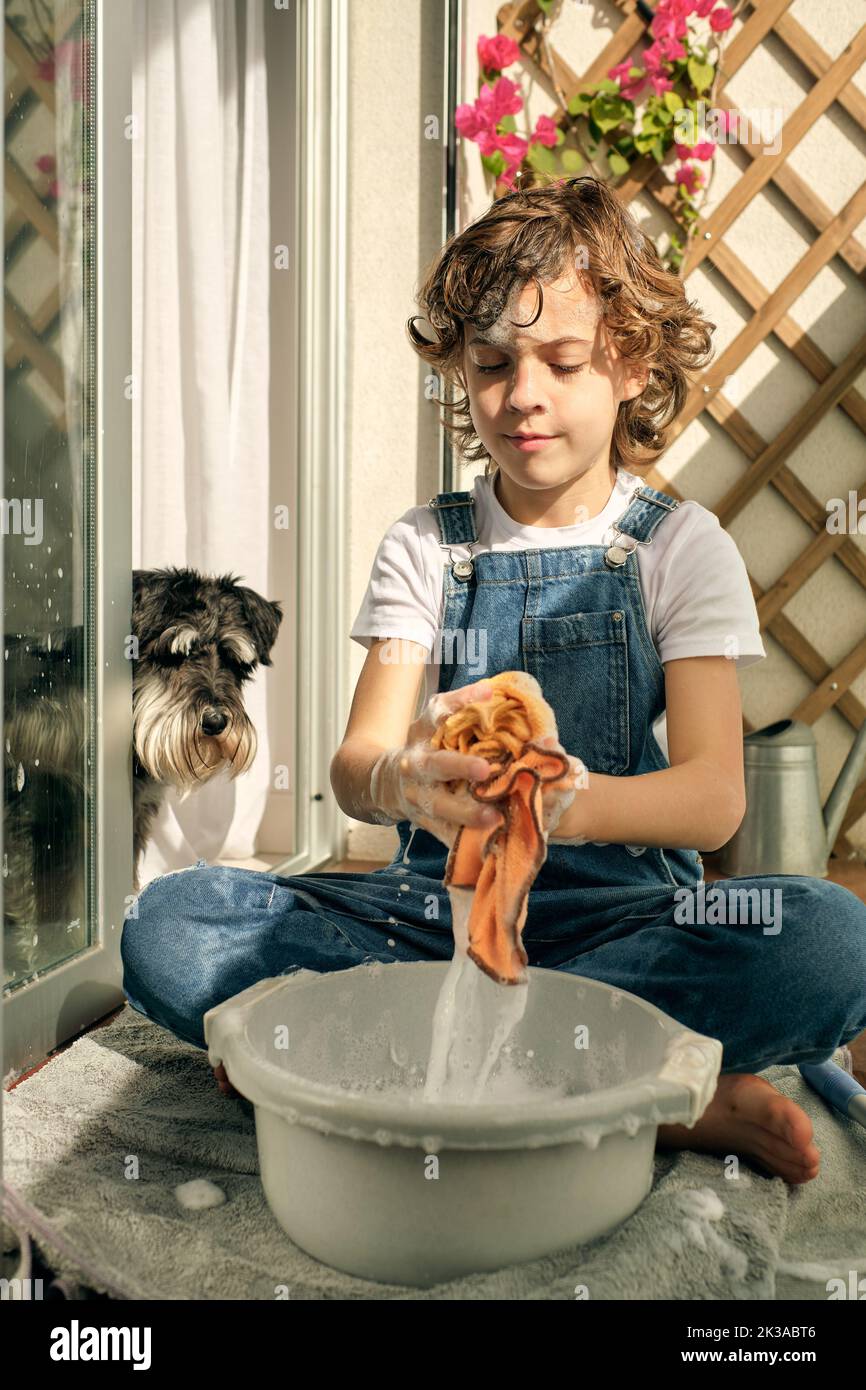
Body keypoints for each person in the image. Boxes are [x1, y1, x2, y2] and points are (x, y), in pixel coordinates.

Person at [122, 176, 866, 1185]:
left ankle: (391, 1070)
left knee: (826, 940)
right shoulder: (426, 545)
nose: (522, 394)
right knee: (168, 926)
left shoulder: (677, 548)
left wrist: (565, 801)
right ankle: (639, 1095)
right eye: (490, 364)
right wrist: (404, 784)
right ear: (458, 372)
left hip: (621, 929)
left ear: (630, 363)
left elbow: (708, 799)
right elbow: (355, 766)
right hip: (431, 928)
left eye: (562, 361)